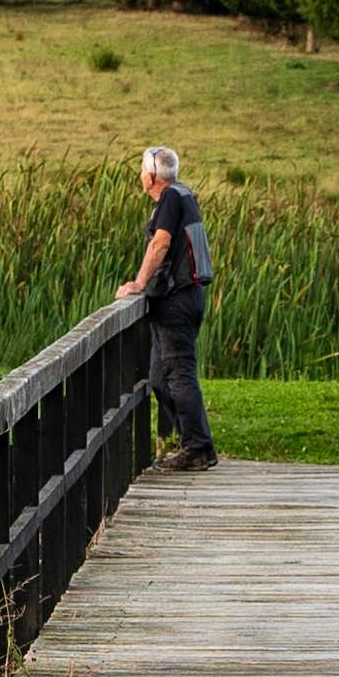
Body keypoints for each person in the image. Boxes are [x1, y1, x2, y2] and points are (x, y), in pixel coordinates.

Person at [116, 143, 219, 470]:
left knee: (178, 375)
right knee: (160, 377)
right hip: (180, 299)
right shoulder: (184, 194)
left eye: (141, 170)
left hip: (177, 299)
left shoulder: (171, 198)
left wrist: (138, 284)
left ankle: (197, 449)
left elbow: (161, 243)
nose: (139, 176)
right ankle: (196, 443)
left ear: (150, 175)